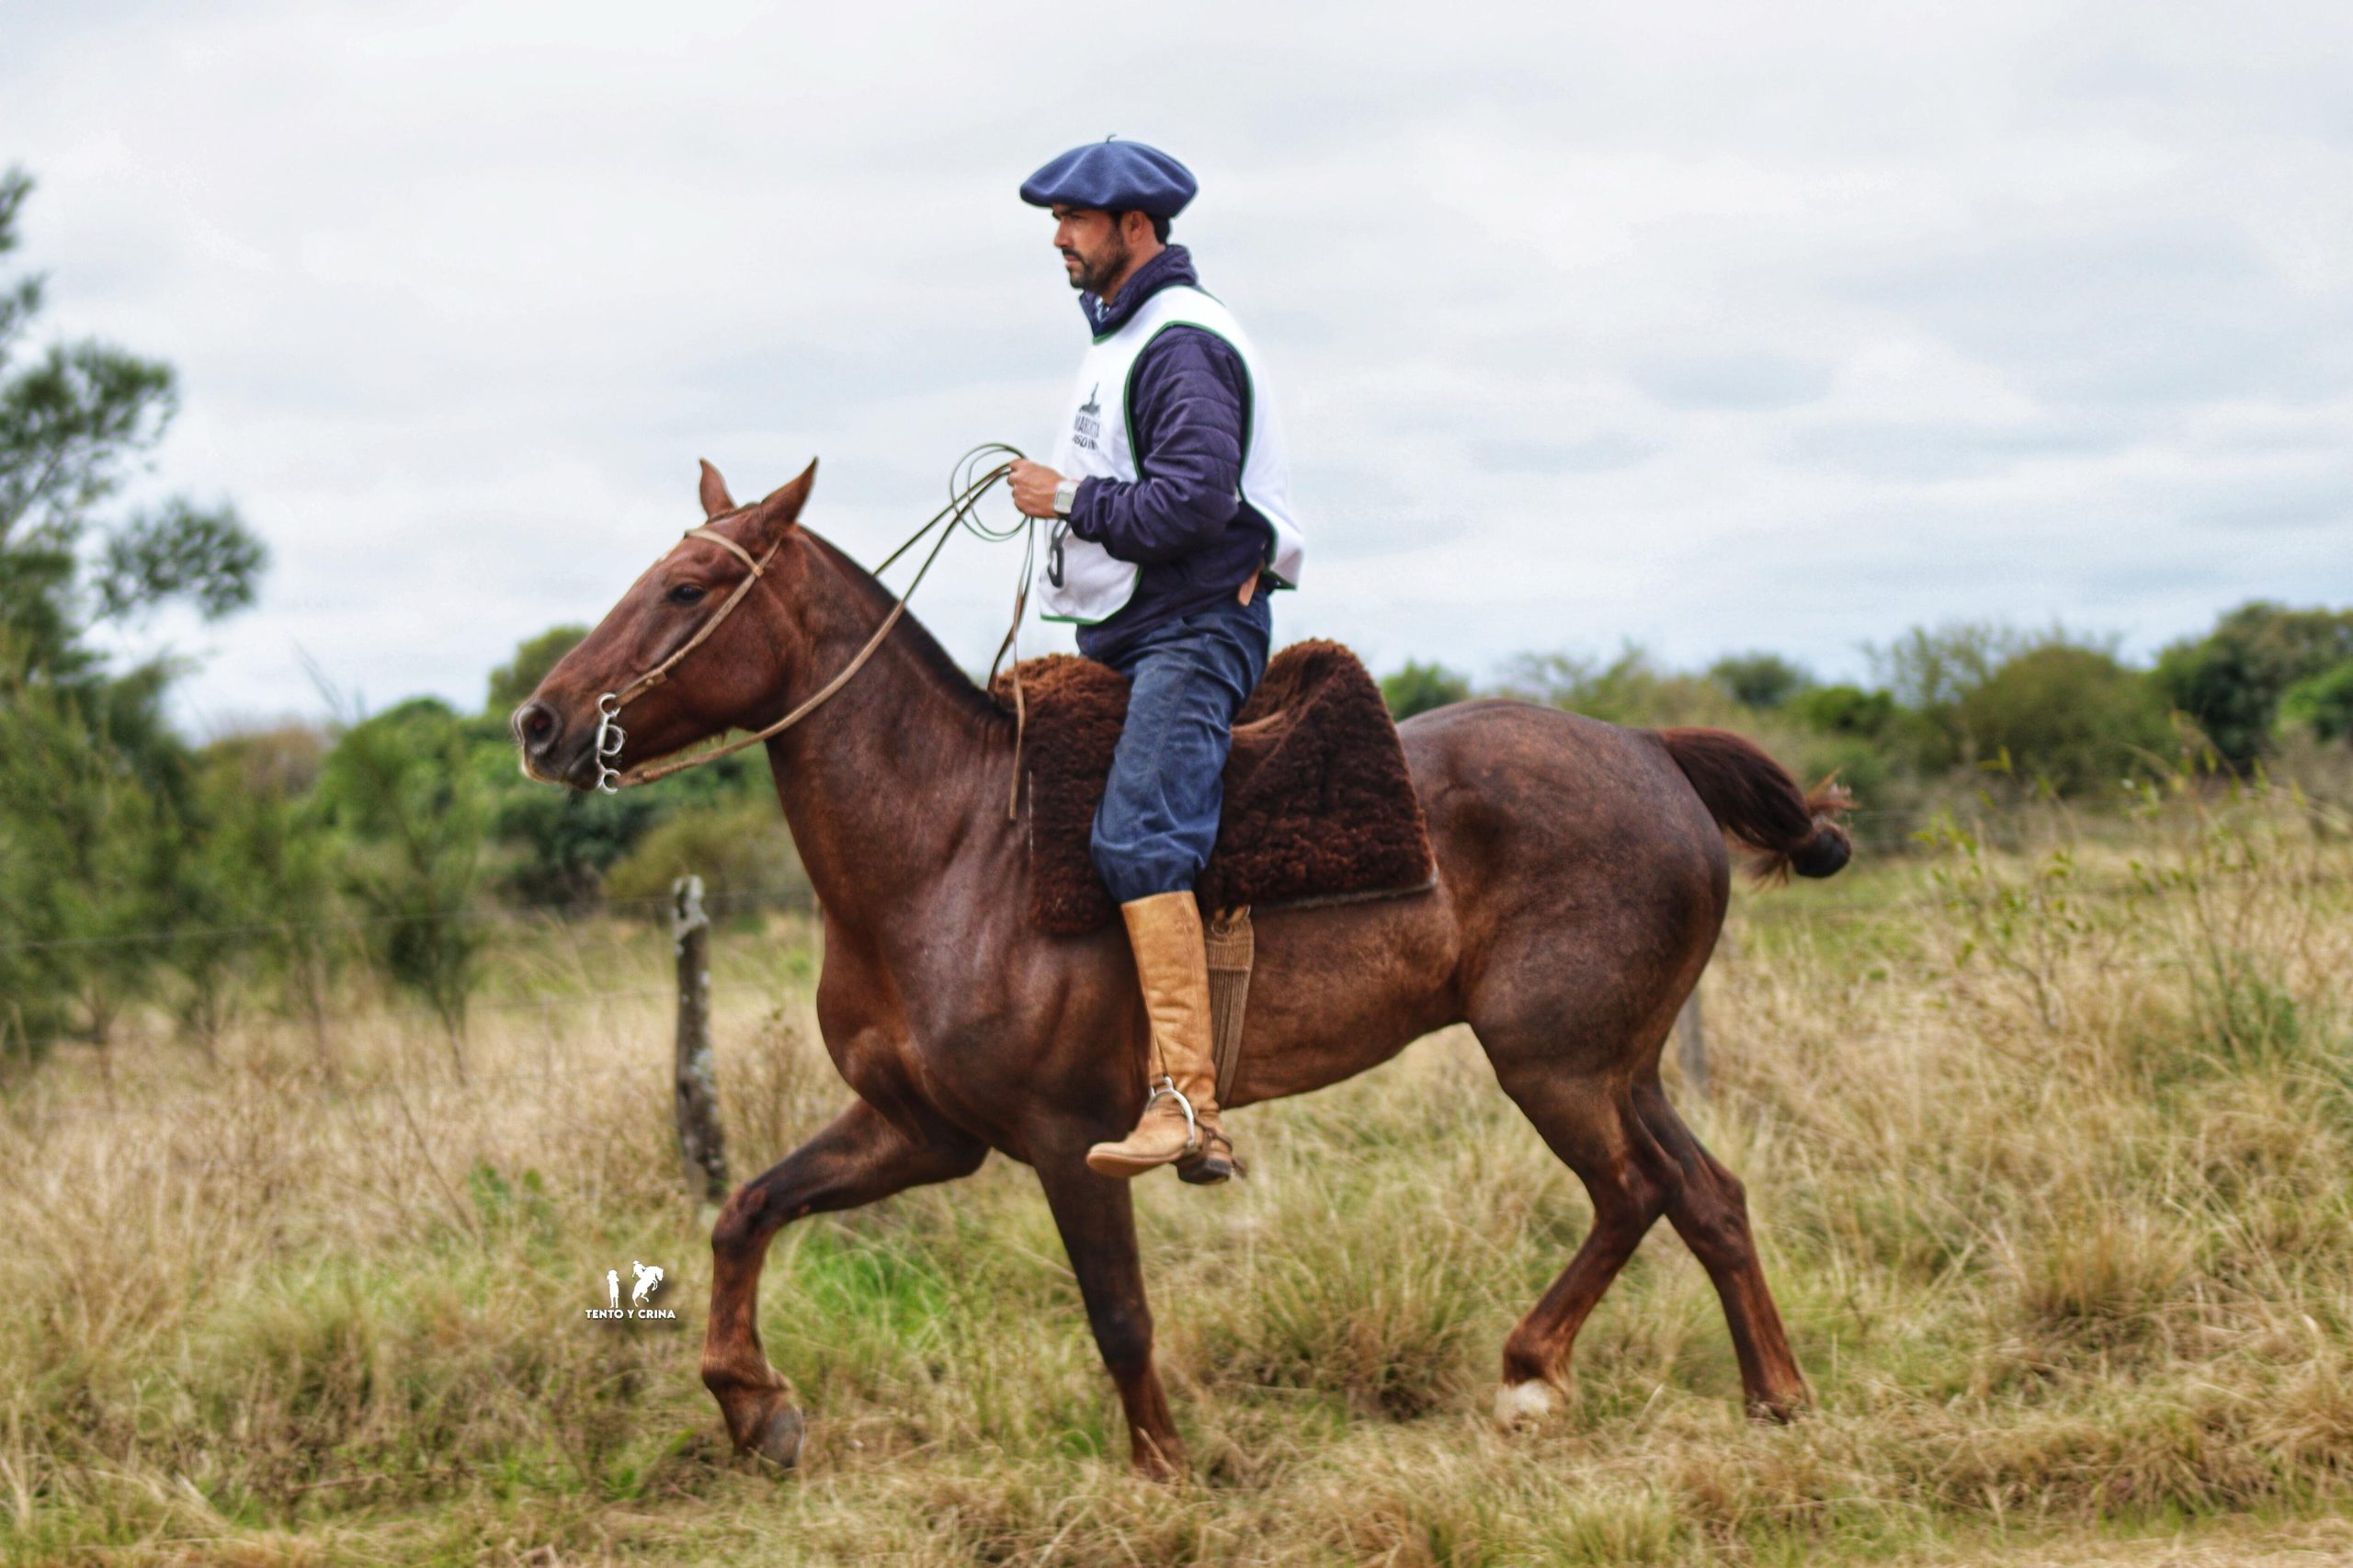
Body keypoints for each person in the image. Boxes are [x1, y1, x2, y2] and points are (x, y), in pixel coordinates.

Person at [1006, 138, 1306, 1186]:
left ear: (1136, 227)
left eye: (1075, 220)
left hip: (1192, 629)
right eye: (1056, 220)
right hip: (1139, 627)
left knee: (1137, 835)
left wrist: (1067, 499)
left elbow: (1193, 500)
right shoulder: (1124, 336)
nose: (1058, 237)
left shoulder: (1178, 343)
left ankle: (1185, 1105)